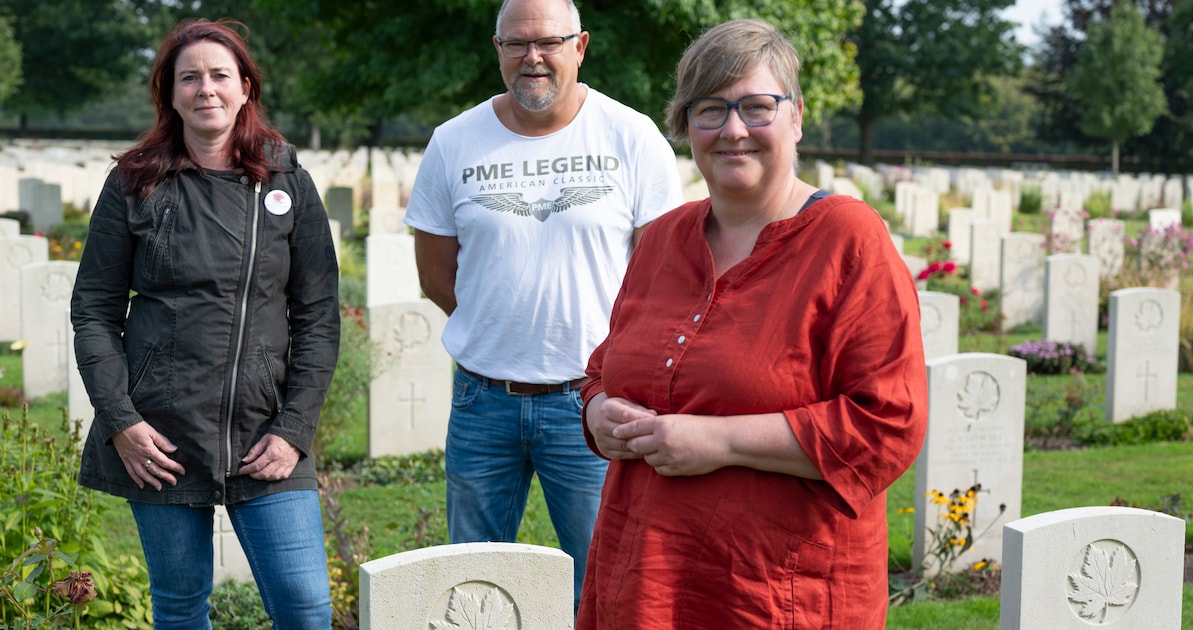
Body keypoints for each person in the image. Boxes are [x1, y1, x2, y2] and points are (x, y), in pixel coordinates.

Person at [576, 19, 928, 629]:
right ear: (685, 127)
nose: (733, 130)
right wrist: (597, 410)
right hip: (646, 585)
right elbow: (605, 368)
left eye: (757, 107)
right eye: (709, 110)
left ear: (796, 117)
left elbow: (887, 422)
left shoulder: (848, 239)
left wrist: (720, 441)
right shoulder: (662, 239)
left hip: (774, 595)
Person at [403, 0, 684, 608]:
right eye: (516, 44)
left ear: (579, 47)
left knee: (604, 580)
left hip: (592, 401)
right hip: (482, 401)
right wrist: (500, 326)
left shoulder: (631, 136)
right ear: (497, 49)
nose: (532, 57)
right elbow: (435, 273)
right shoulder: (453, 142)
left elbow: (663, 274)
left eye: (548, 42)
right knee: (472, 592)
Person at [70, 18, 340, 629]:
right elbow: (93, 310)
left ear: (246, 86)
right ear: (169, 92)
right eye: (188, 77)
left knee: (305, 607)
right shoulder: (134, 183)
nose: (206, 89)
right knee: (181, 605)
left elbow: (318, 315)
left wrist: (295, 427)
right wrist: (122, 422)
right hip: (160, 437)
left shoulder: (287, 182)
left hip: (266, 432)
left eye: (220, 75)